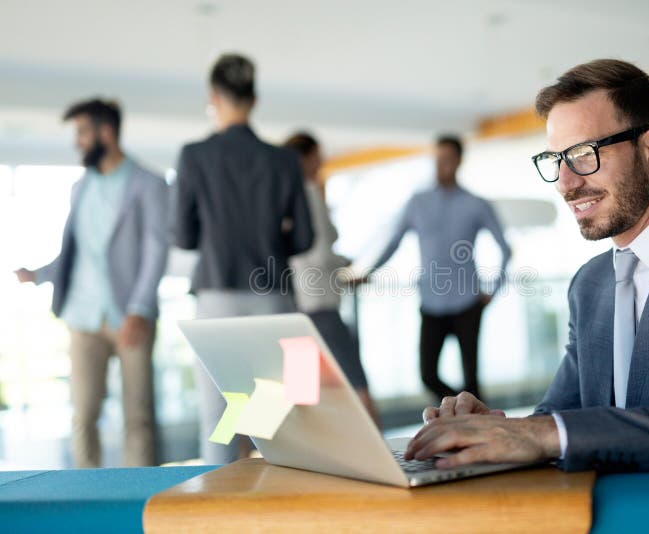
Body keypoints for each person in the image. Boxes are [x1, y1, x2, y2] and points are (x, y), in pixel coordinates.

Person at [405, 59, 649, 473]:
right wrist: (493, 431)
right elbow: (557, 418)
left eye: (582, 154)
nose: (565, 182)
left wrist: (543, 434)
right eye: (555, 159)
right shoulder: (590, 284)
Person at [172, 54, 313, 464]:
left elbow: (182, 236)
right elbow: (304, 237)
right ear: (255, 99)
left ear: (213, 97)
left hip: (216, 299)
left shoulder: (194, 156)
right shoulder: (284, 160)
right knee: (276, 420)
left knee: (218, 421)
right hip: (272, 300)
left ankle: (214, 521)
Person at [15, 98, 168, 468]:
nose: (77, 142)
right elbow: (77, 253)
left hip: (131, 318)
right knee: (82, 417)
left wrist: (140, 308)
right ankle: (86, 499)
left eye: (82, 133)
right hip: (82, 317)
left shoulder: (148, 184)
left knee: (139, 418)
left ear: (106, 132)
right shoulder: (80, 188)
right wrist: (39, 274)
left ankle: (139, 503)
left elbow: (156, 249)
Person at [363, 135, 512, 402]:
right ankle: (468, 411)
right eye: (437, 159)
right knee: (427, 375)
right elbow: (393, 243)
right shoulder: (417, 202)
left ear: (458, 161)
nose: (440, 165)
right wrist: (367, 273)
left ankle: (477, 429)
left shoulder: (476, 204)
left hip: (468, 301)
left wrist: (493, 290)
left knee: (471, 380)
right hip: (431, 302)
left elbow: (505, 248)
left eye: (446, 159)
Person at [284, 131, 379, 424]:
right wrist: (344, 263)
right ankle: (385, 460)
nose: (320, 163)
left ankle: (306, 461)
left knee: (302, 395)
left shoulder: (283, 195)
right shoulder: (309, 193)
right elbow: (321, 255)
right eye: (317, 157)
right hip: (322, 305)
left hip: (297, 307)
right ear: (305, 157)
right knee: (358, 386)